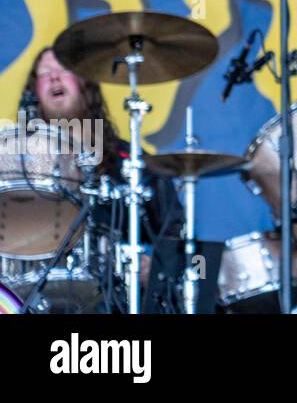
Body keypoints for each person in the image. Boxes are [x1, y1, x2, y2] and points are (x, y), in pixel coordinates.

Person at [19, 46, 184, 311]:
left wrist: (155, 266)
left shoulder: (129, 162)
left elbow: (176, 234)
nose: (54, 78)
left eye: (64, 70)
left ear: (86, 84)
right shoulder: (20, 165)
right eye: (45, 73)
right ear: (34, 93)